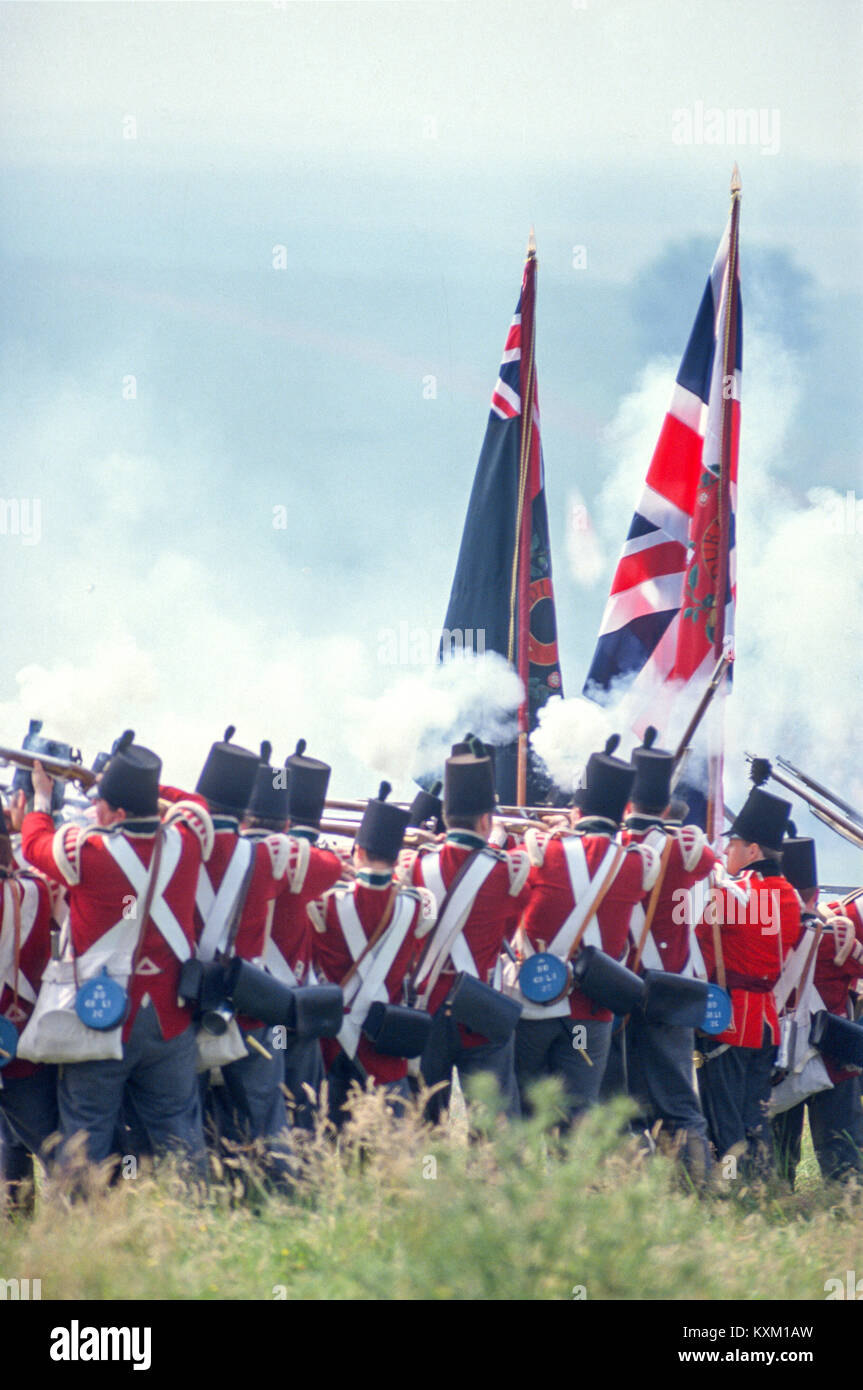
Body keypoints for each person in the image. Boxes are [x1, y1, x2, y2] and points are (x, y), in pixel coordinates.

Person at [20, 735, 214, 1173]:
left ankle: (80, 1232)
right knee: (179, 1131)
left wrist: (41, 796)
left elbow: (33, 842)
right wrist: (141, 783)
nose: (96, 810)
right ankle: (198, 1224)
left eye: (103, 802)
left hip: (103, 1018)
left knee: (84, 1135)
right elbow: (196, 804)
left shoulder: (87, 852)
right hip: (170, 1018)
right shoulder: (188, 841)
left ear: (119, 813)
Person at [514, 736, 659, 1123]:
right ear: (621, 812)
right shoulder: (635, 865)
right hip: (588, 1017)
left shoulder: (544, 851)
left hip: (535, 1006)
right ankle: (573, 1184)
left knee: (525, 1112)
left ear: (576, 812)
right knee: (577, 1113)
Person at [604, 727, 716, 1174]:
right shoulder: (688, 850)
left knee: (621, 1099)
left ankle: (635, 1183)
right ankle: (700, 1183)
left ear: (627, 804)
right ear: (666, 807)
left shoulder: (608, 849)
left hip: (617, 988)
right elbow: (708, 862)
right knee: (679, 1099)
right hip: (669, 989)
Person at [409, 745, 532, 1121]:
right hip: (481, 1008)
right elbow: (512, 931)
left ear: (445, 817)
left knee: (427, 1122)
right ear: (485, 821)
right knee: (494, 1126)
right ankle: (491, 1182)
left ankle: (428, 1180)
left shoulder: (416, 866)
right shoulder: (509, 872)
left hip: (426, 1008)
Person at [309, 783, 435, 1125]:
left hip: (334, 1045)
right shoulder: (417, 906)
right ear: (396, 858)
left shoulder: (324, 903)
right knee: (394, 1155)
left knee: (333, 1142)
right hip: (385, 1044)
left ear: (357, 851)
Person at [695, 784, 802, 1176]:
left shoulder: (733, 895)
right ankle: (760, 1184)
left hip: (729, 1021)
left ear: (752, 851)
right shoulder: (789, 895)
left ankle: (730, 1188)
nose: (726, 851)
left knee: (724, 1119)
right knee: (755, 1116)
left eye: (732, 845)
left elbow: (692, 930)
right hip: (765, 1024)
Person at [241, 740, 344, 1130]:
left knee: (256, 1106)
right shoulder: (306, 862)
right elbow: (332, 865)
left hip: (251, 1003)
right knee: (303, 1101)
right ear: (287, 826)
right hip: (293, 1005)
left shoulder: (232, 852)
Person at [772, 833, 863, 1185]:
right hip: (833, 1060)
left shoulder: (761, 932)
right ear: (818, 893)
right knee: (844, 1158)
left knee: (778, 1158)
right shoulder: (840, 933)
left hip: (778, 1060)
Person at [0, 803, 59, 1211]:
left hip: (17, 1040)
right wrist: (32, 816)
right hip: (19, 1036)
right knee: (47, 1143)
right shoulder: (39, 888)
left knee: (30, 1140)